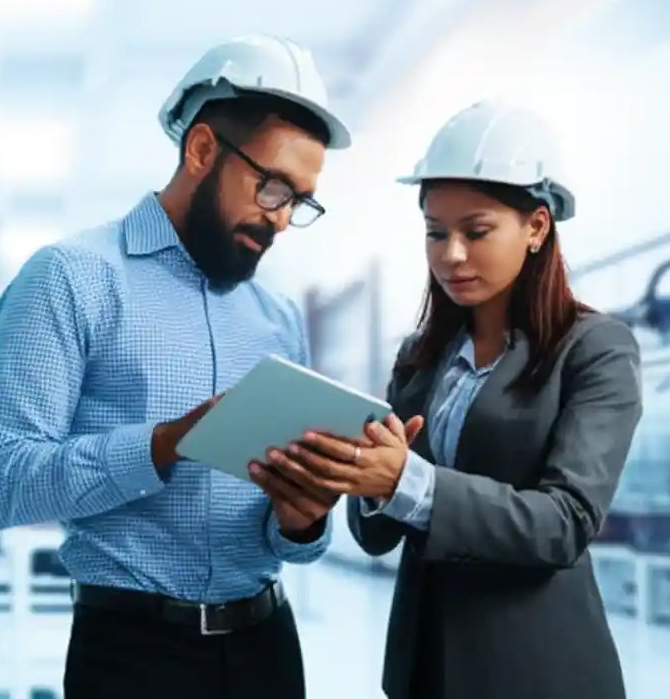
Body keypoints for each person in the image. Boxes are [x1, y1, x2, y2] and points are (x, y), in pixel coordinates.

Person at [0, 34, 353, 698]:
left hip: (268, 651)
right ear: (202, 149)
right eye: (271, 188)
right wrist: (167, 444)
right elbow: (2, 484)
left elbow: (289, 540)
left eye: (300, 200)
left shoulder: (278, 317)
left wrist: (306, 516)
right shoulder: (71, 279)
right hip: (132, 659)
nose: (283, 219)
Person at [269, 100, 643, 698]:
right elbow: (376, 537)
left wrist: (406, 482)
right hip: (425, 668)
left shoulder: (595, 349)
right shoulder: (420, 356)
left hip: (536, 672)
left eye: (477, 230)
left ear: (537, 228)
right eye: (435, 233)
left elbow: (565, 523)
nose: (451, 254)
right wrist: (353, 478)